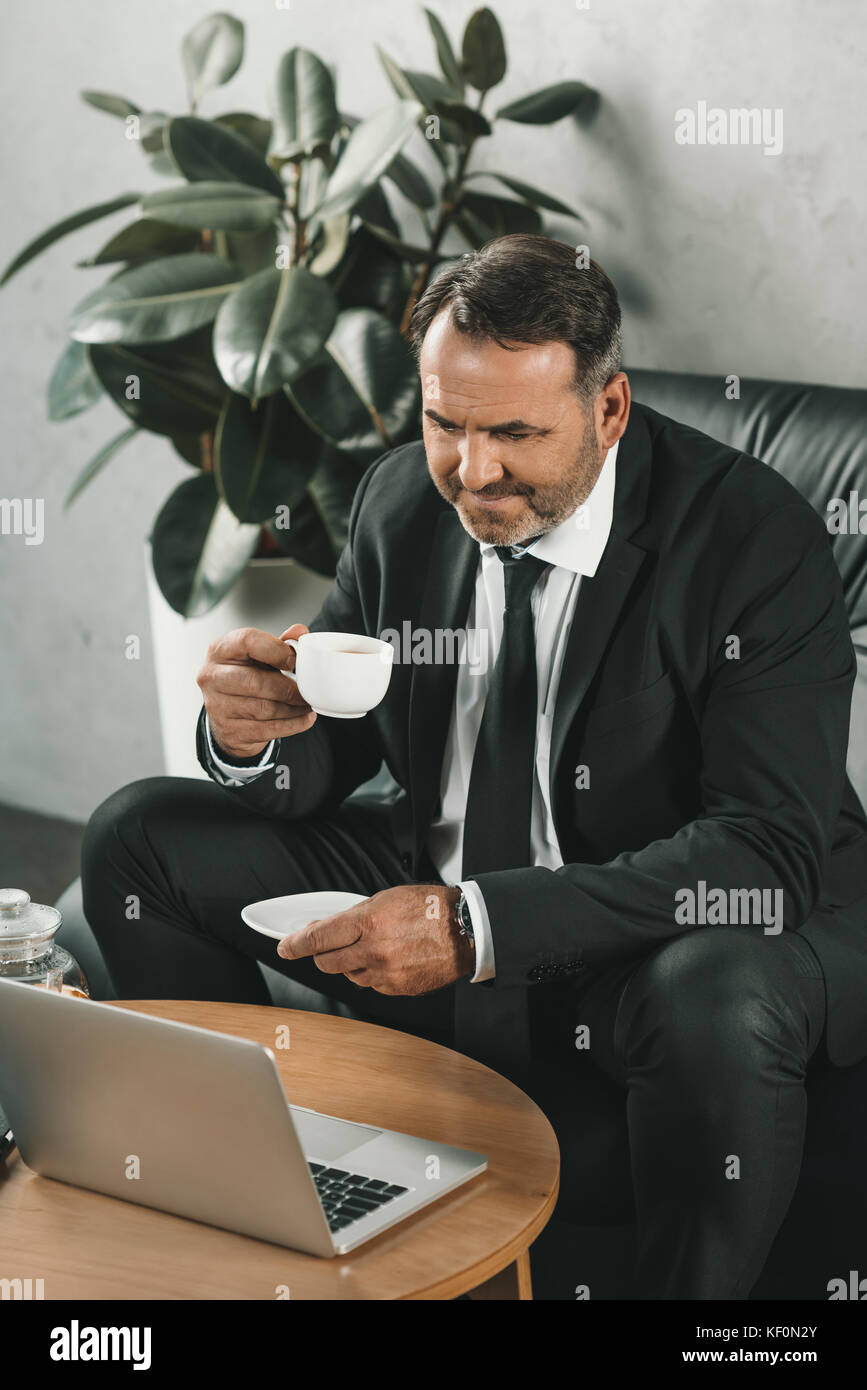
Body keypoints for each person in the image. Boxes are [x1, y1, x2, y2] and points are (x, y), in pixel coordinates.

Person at [82, 234, 867, 1299]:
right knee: (140, 833)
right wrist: (254, 733)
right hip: (430, 881)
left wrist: (473, 925)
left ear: (610, 410)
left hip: (652, 927)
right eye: (446, 422)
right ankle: (261, 1192)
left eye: (513, 432)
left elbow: (766, 849)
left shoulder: (751, 538)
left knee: (711, 990)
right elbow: (330, 754)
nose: (474, 468)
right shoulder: (406, 498)